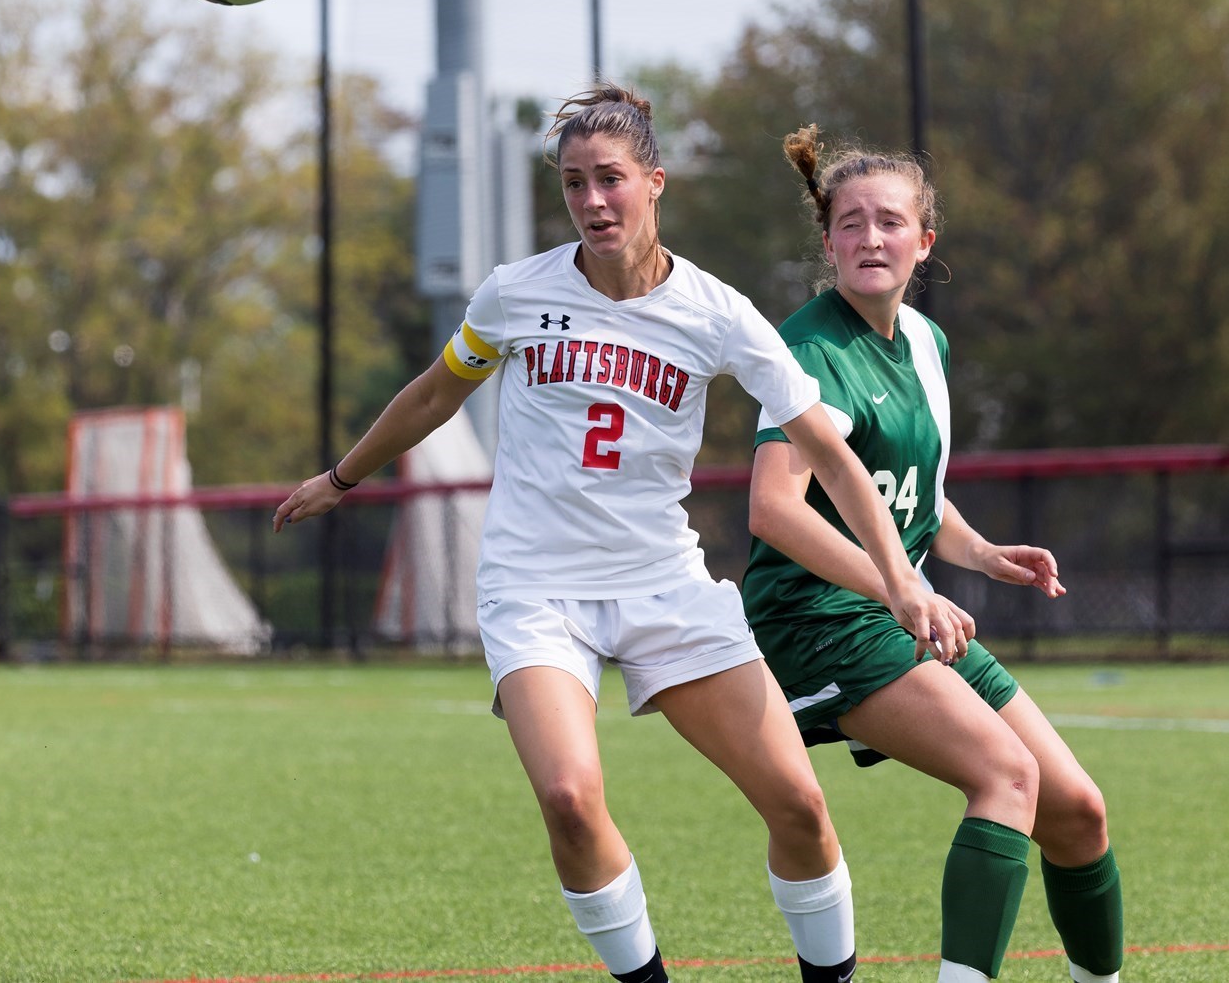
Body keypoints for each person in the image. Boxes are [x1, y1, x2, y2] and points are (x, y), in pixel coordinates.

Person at [273, 86, 945, 983]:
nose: (593, 201)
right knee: (570, 798)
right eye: (575, 183)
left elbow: (829, 446)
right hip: (535, 589)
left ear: (655, 183)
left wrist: (900, 580)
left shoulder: (716, 312)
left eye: (612, 180)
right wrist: (341, 477)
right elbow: (437, 392)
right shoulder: (514, 295)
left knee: (799, 806)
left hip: (664, 584)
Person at [742, 126, 1126, 983]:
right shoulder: (809, 350)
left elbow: (907, 492)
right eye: (850, 223)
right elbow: (773, 510)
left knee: (1077, 812)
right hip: (817, 615)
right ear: (828, 240)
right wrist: (900, 581)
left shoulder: (925, 341)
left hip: (893, 605)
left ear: (925, 241)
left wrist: (980, 552)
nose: (869, 238)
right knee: (1006, 776)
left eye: (889, 221)